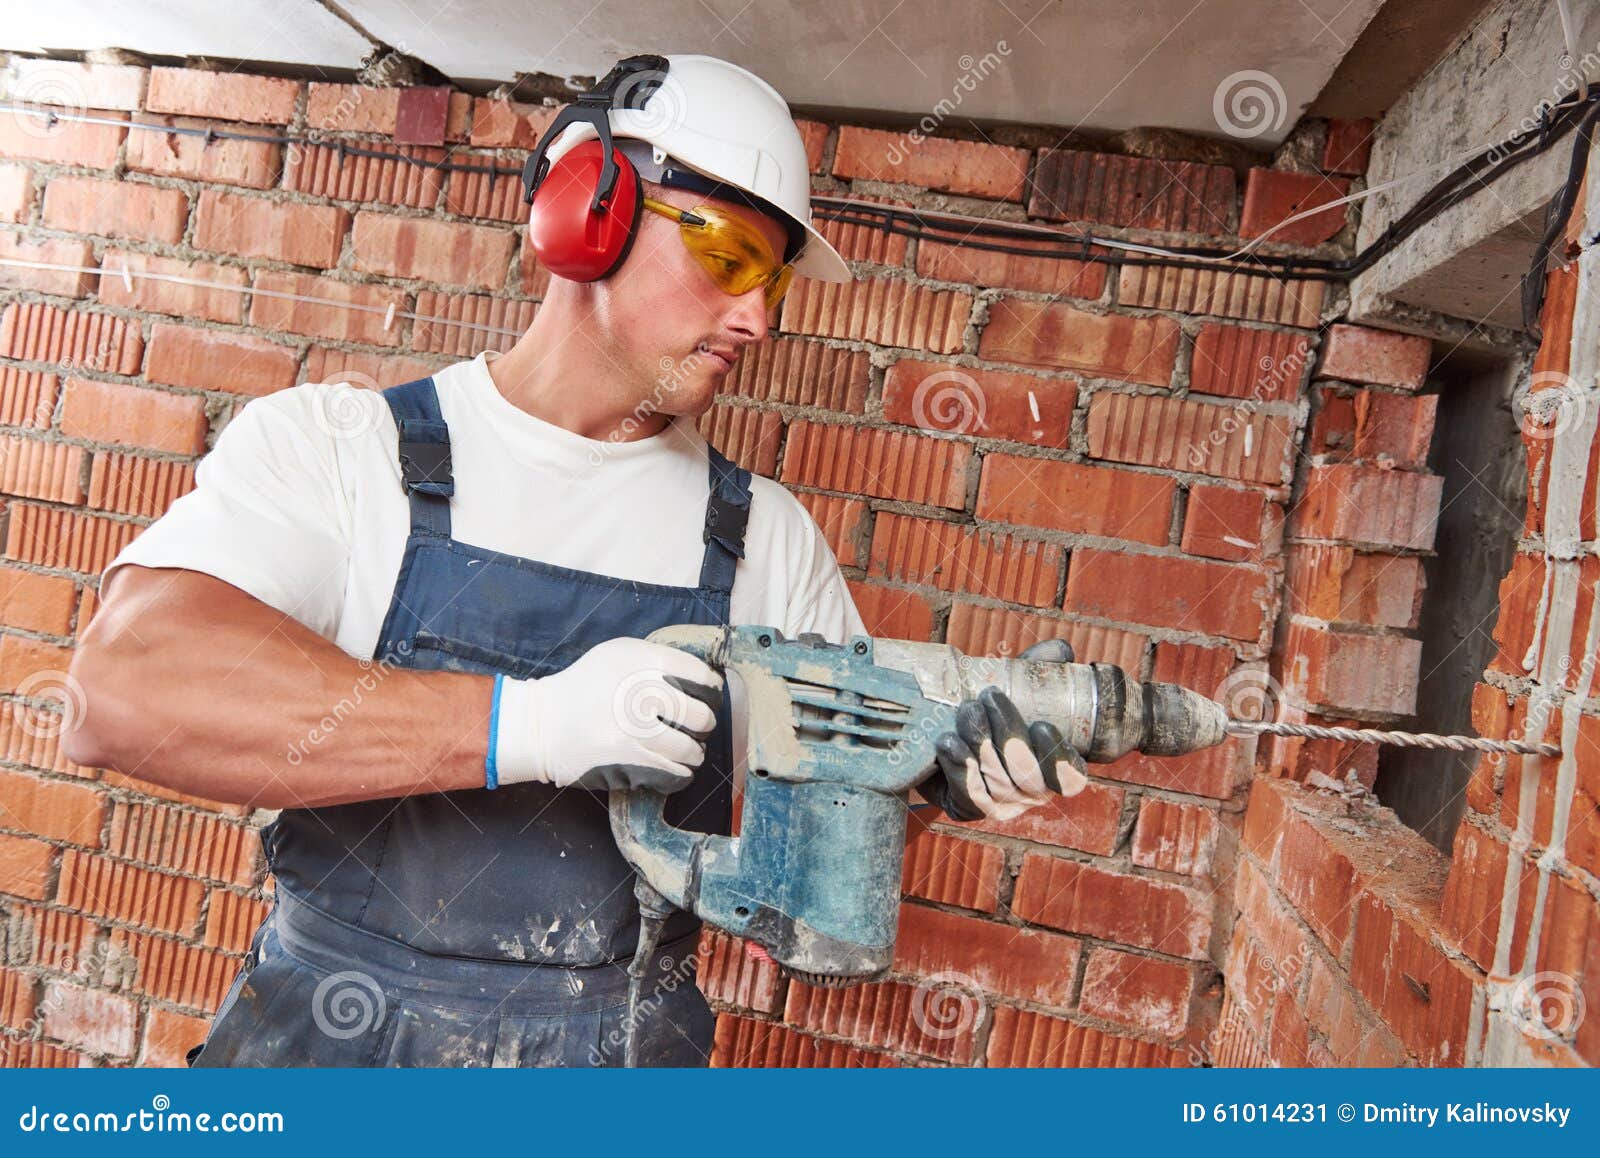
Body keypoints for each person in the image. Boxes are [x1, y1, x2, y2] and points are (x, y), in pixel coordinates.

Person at [63, 53, 1087, 1068]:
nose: (759, 317)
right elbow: (127, 694)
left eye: (772, 280)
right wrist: (532, 724)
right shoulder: (344, 453)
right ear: (584, 209)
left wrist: (926, 786)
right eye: (727, 257)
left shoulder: (765, 540)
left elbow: (796, 865)